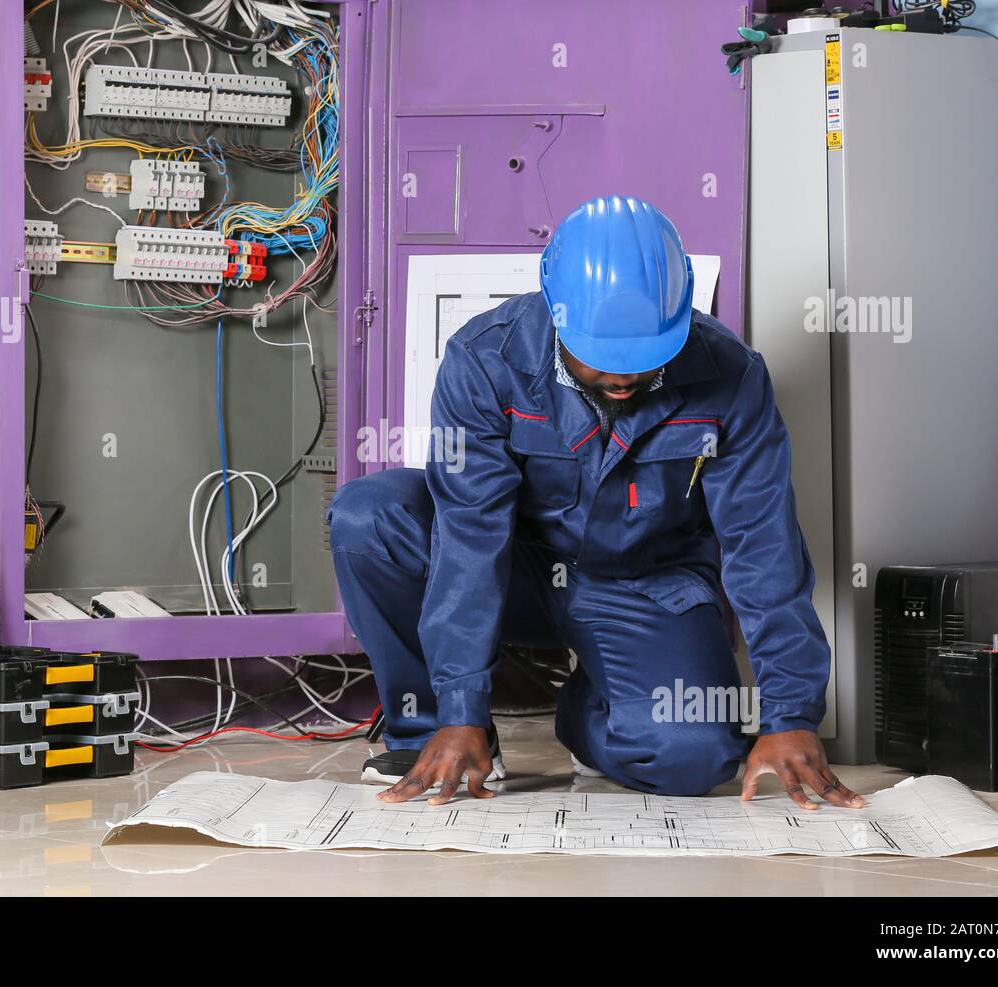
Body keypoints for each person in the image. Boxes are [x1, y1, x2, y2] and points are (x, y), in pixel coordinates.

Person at [328, 196, 863, 811]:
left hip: (646, 584)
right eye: (600, 356)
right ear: (555, 312)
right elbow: (471, 534)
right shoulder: (483, 362)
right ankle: (434, 735)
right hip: (518, 571)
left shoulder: (733, 377)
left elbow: (762, 542)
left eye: (643, 356)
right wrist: (460, 709)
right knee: (367, 518)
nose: (622, 379)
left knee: (692, 756)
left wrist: (790, 713)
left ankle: (589, 705)